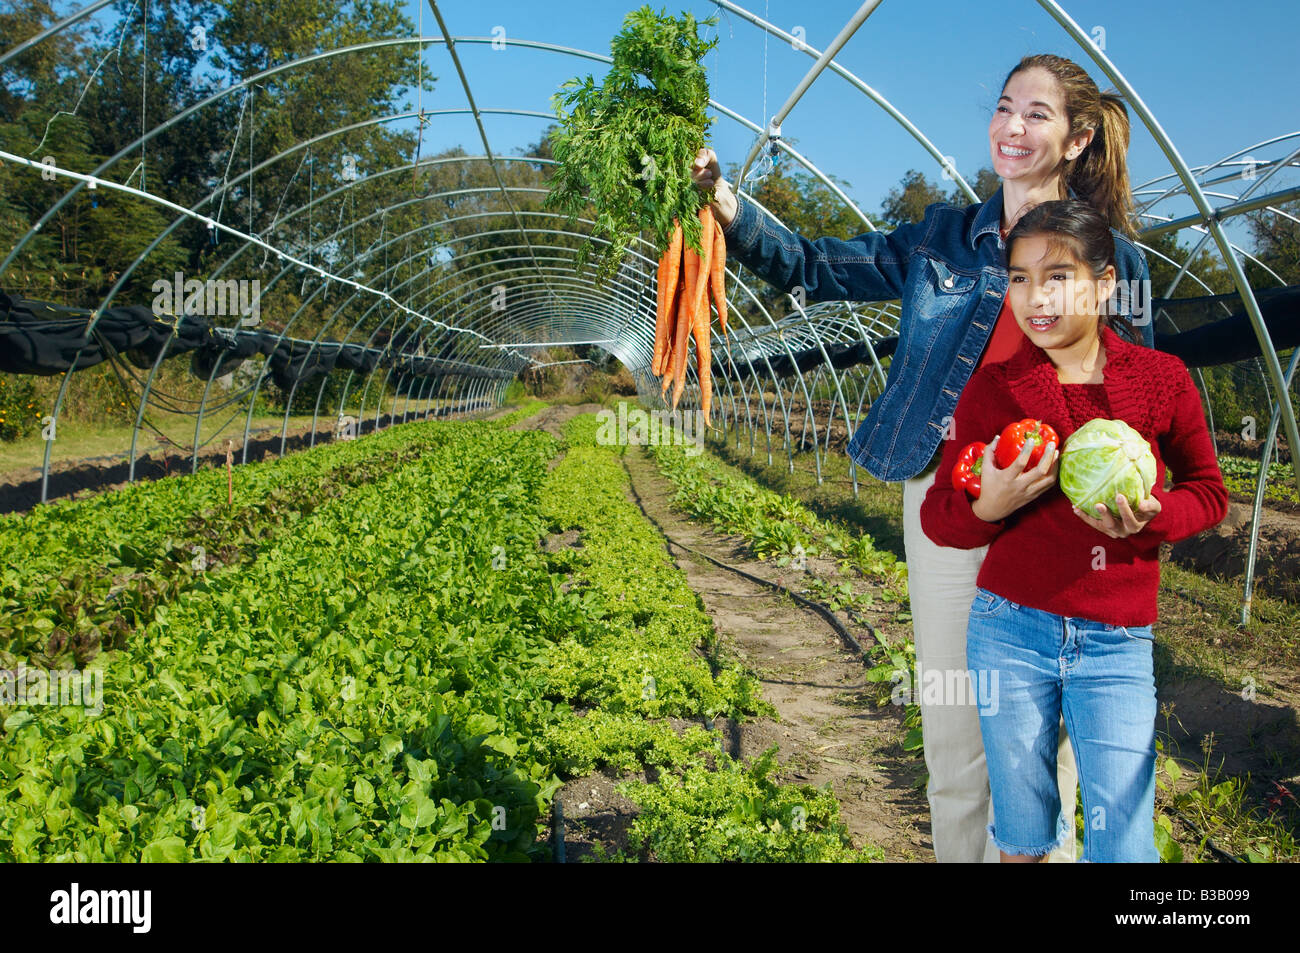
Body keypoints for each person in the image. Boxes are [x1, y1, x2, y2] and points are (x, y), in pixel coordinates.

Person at [692, 53, 1152, 862]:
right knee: (956, 731)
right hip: (952, 500)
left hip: (1056, 513)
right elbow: (812, 263)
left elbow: (1134, 399)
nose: (1013, 126)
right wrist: (723, 200)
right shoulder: (944, 237)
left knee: (1046, 743)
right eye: (1005, 107)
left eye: (1037, 114)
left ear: (1078, 138)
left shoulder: (1116, 259)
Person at [918, 200, 1228, 861]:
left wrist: (1158, 516)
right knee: (1023, 827)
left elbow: (1208, 491)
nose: (1035, 297)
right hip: (1009, 627)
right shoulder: (994, 388)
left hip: (1116, 641)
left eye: (1058, 275)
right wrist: (988, 506)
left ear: (1107, 282)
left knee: (1124, 835)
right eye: (1021, 278)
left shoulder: (1161, 380)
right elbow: (938, 513)